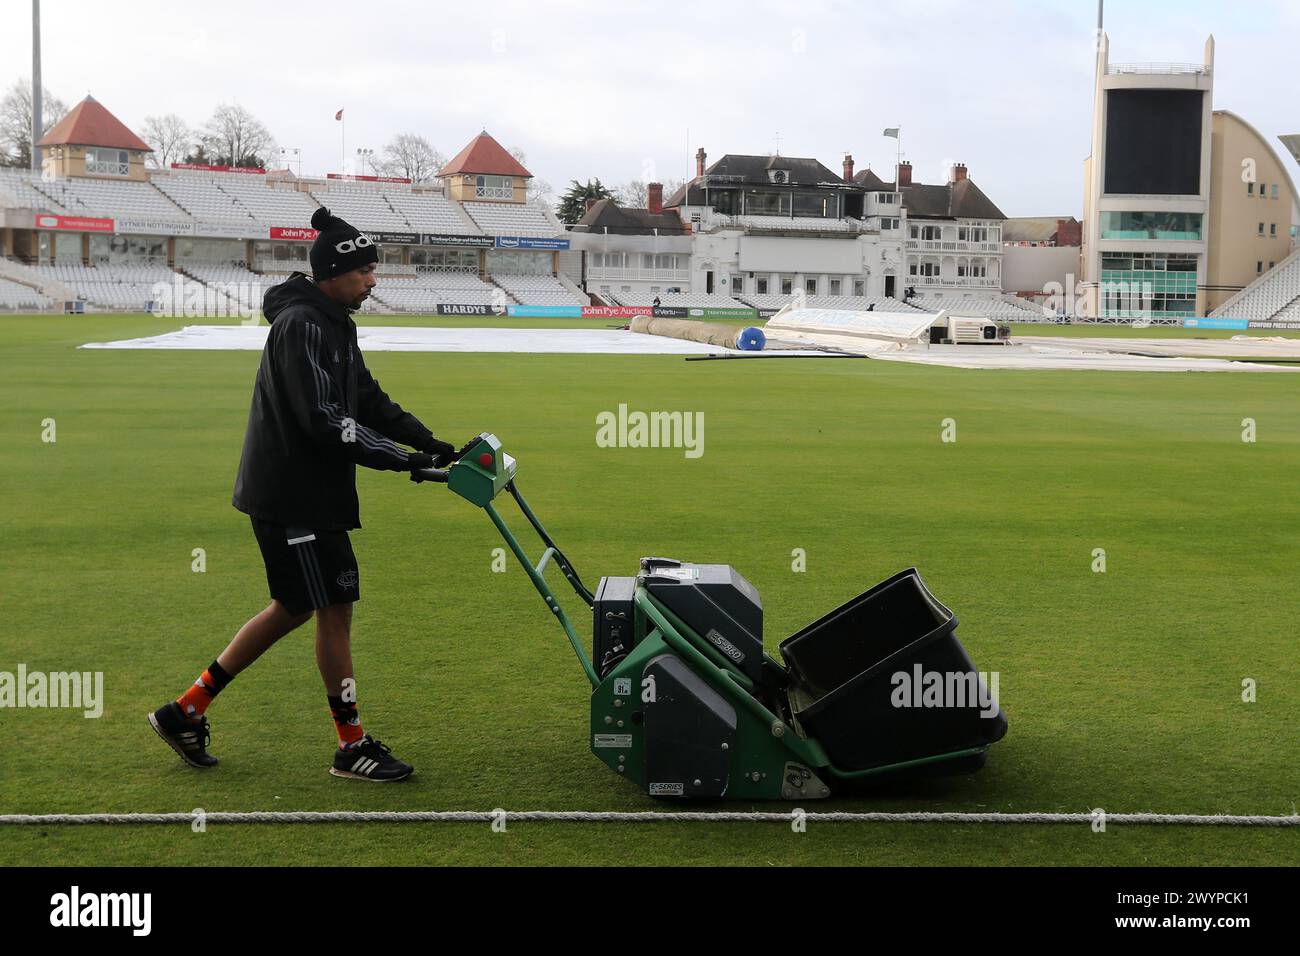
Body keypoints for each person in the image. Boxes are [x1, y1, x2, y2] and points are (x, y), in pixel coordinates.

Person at [149, 207, 455, 782]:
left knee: (294, 606)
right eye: (364, 270)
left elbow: (366, 398)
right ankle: (351, 746)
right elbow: (324, 419)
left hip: (302, 492)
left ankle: (185, 710)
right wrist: (405, 462)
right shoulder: (302, 326)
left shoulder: (335, 321)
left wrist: (431, 443)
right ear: (333, 272)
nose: (372, 279)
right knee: (333, 610)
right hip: (295, 496)